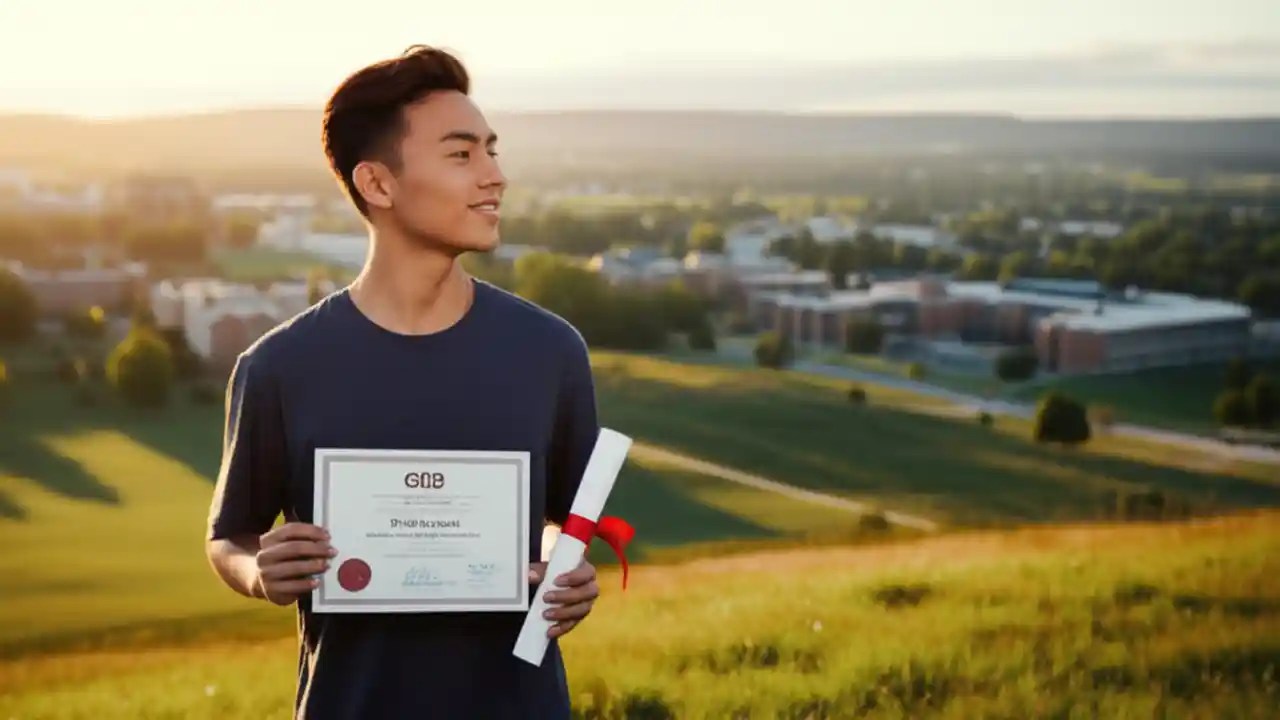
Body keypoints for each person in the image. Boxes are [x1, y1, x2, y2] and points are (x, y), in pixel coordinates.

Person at [204, 45, 602, 719]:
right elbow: (229, 537)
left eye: (492, 151)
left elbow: (567, 524)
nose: (495, 176)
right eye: (462, 154)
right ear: (378, 184)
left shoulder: (550, 351)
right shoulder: (279, 367)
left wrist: (565, 574)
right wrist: (257, 572)